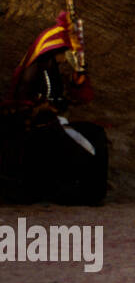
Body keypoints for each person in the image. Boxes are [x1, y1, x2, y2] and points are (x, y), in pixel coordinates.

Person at [1, 12, 108, 205]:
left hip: (55, 124)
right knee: (72, 146)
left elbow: (71, 100)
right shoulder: (33, 70)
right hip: (36, 131)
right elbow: (21, 105)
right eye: (65, 49)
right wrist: (39, 110)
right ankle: (72, 195)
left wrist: (78, 80)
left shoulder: (54, 70)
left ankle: (94, 193)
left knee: (96, 134)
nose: (67, 54)